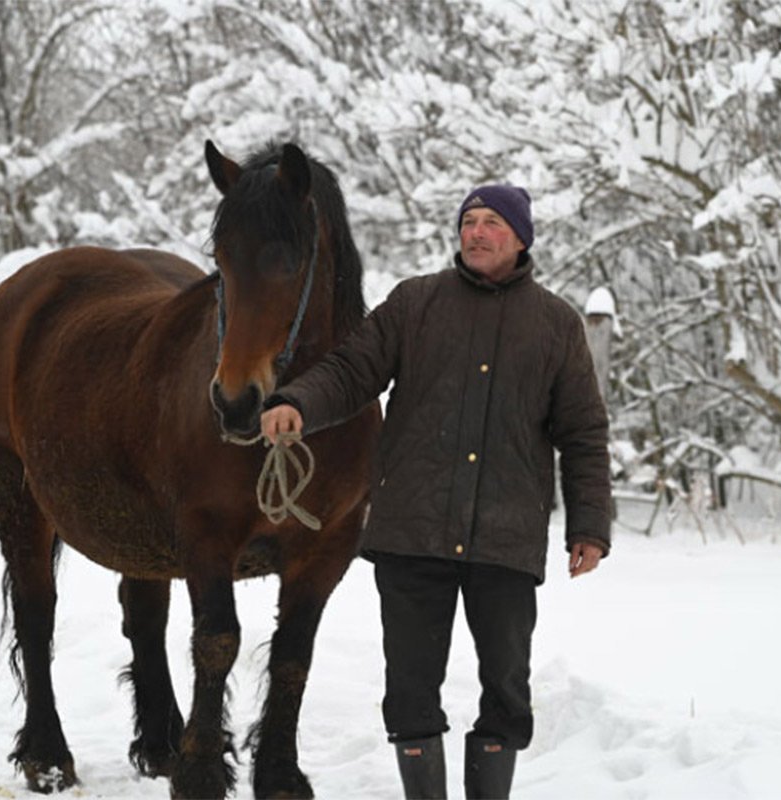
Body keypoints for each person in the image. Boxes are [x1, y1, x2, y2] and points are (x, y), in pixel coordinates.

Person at [261, 184, 612, 799]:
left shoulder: (557, 325)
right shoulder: (415, 303)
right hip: (412, 535)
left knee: (506, 689)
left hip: (506, 539)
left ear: (521, 237)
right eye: (468, 222)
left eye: (492, 223)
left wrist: (590, 526)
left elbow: (583, 434)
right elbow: (351, 371)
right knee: (410, 690)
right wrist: (296, 401)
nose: (476, 233)